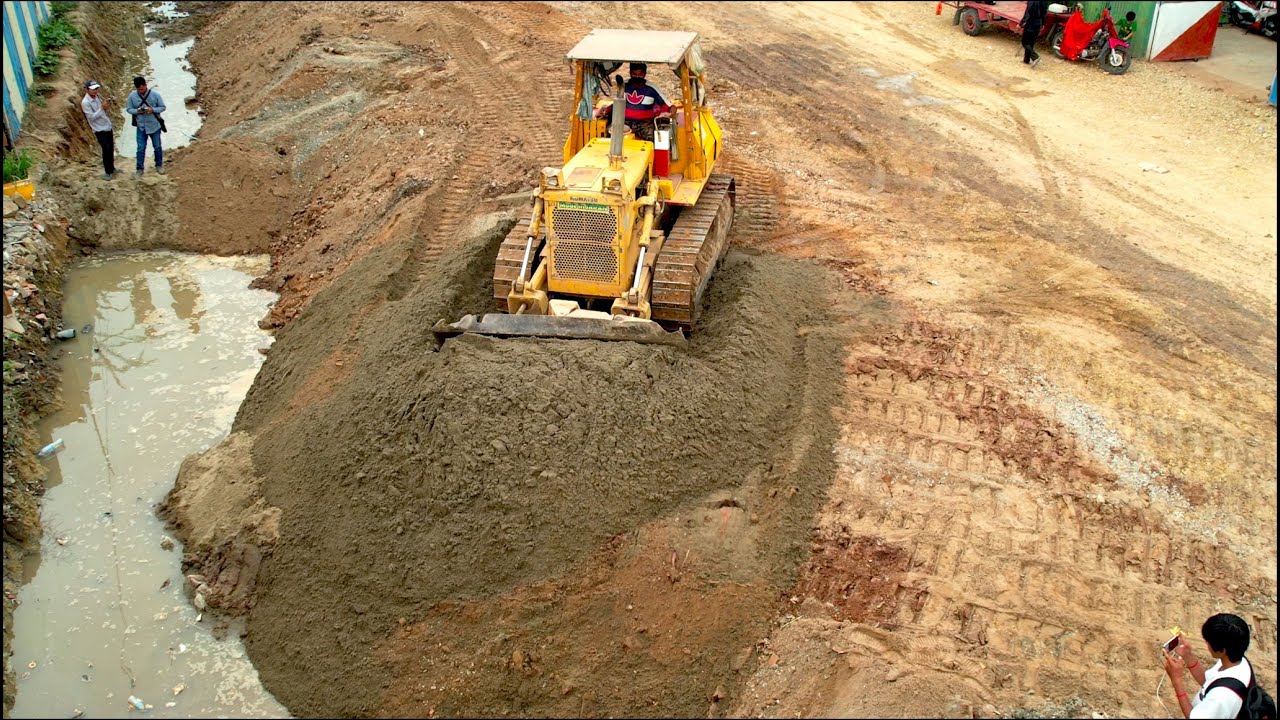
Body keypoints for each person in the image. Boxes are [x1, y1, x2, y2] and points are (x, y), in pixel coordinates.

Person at [1162, 613, 1259, 718]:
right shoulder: (1236, 661)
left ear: (1223, 650)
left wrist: (1176, 681)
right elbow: (1208, 681)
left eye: (1208, 642)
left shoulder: (1222, 696)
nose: (1207, 644)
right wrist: (1188, 656)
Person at [595, 62, 671, 142]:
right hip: (625, 122)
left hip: (644, 124)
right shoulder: (624, 86)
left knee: (655, 139)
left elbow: (669, 107)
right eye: (634, 74)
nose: (637, 77)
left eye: (640, 74)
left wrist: (669, 113)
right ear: (630, 72)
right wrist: (605, 110)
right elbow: (618, 103)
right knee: (611, 133)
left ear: (645, 73)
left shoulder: (652, 88)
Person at [125, 75, 166, 177]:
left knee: (157, 146)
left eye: (142, 88)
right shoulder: (132, 96)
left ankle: (159, 165)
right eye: (139, 89)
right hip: (141, 126)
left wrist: (153, 110)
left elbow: (163, 107)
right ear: (136, 88)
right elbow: (129, 109)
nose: (141, 91)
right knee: (140, 148)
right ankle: (139, 169)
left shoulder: (155, 95)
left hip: (154, 125)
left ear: (146, 85)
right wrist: (138, 111)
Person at [80, 80, 115, 180]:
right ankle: (107, 172)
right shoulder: (85, 102)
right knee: (106, 149)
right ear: (87, 90)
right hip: (99, 129)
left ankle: (112, 168)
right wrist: (102, 108)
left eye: (96, 88)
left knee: (111, 148)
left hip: (107, 126)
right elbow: (91, 118)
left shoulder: (98, 97)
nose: (95, 91)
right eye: (93, 89)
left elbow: (102, 111)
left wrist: (106, 106)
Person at [1021, 0, 1051, 67]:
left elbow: (1028, 12)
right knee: (1031, 42)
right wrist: (1043, 23)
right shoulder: (1044, 2)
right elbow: (1044, 13)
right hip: (1038, 23)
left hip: (1031, 22)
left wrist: (1021, 23)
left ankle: (1035, 57)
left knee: (1025, 42)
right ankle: (1026, 60)